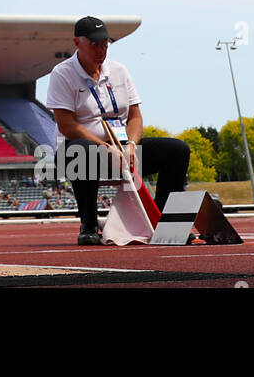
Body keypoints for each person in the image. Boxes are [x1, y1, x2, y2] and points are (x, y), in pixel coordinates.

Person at [46, 16, 190, 245]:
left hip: (123, 147)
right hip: (81, 152)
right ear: (77, 43)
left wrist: (131, 146)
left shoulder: (119, 71)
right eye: (94, 44)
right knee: (83, 150)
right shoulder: (62, 74)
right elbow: (67, 125)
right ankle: (89, 225)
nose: (101, 49)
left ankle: (167, 222)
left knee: (177, 149)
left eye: (105, 43)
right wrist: (104, 147)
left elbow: (135, 117)